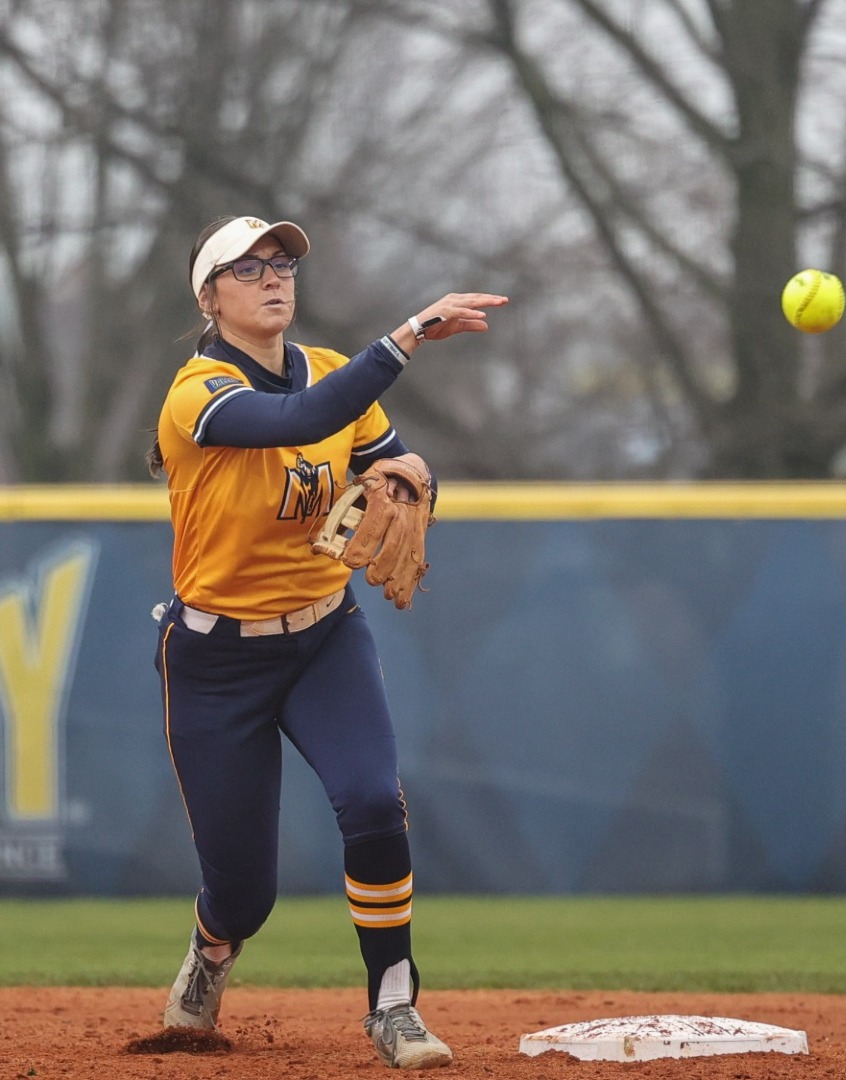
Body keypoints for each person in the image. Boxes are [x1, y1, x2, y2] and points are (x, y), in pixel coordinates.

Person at [149, 214, 507, 1069]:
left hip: (322, 639)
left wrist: (412, 483)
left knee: (374, 802)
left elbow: (398, 464)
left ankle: (394, 1006)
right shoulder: (196, 394)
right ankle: (211, 950)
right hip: (215, 660)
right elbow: (300, 417)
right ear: (209, 296)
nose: (274, 276)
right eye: (248, 267)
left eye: (283, 264)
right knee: (243, 890)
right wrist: (411, 333)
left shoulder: (337, 371)